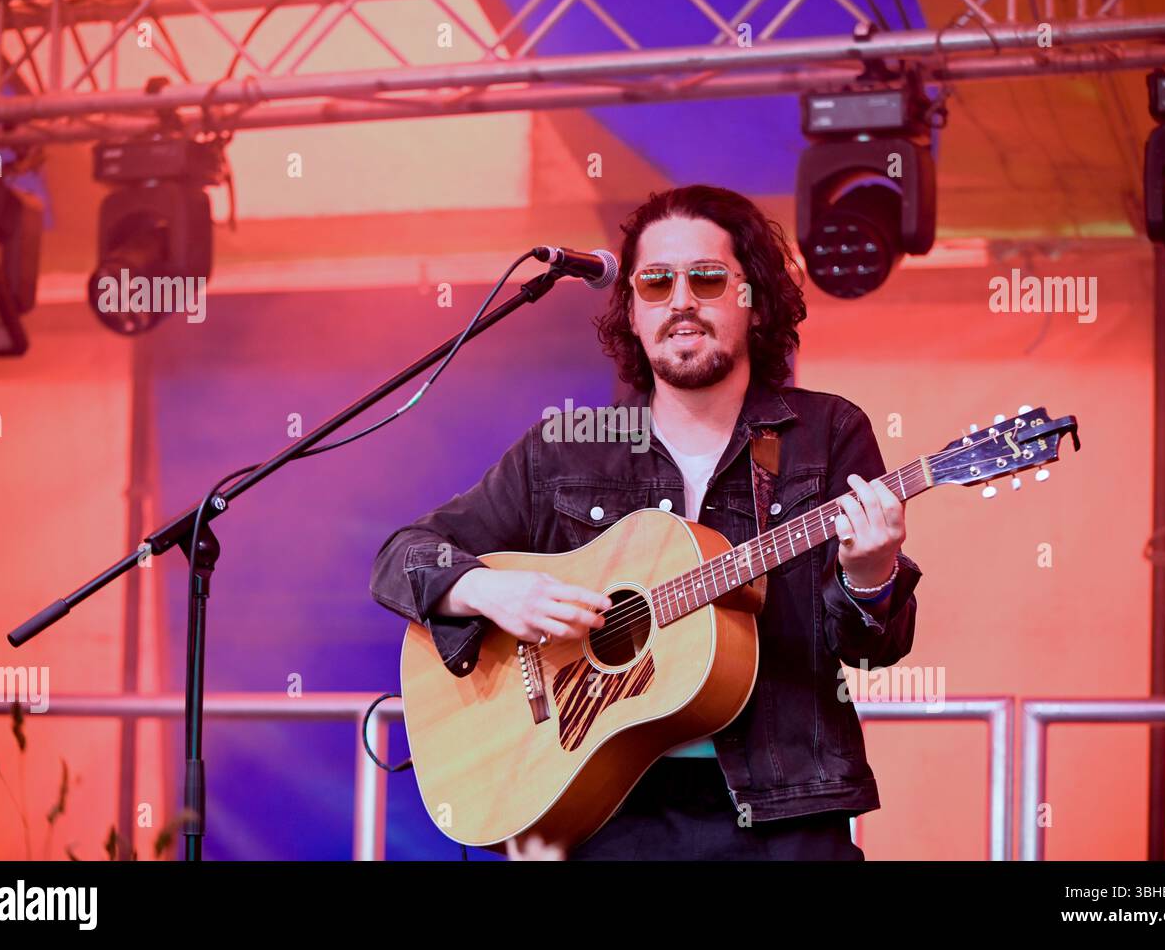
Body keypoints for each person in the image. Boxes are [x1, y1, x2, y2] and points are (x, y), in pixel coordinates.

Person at [370, 184, 921, 860]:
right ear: (630, 312)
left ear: (754, 301)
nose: (681, 300)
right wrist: (487, 589)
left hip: (784, 815)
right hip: (599, 812)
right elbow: (402, 556)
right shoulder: (566, 447)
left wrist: (869, 577)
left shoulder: (829, 432)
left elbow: (872, 651)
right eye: (656, 283)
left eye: (708, 278)